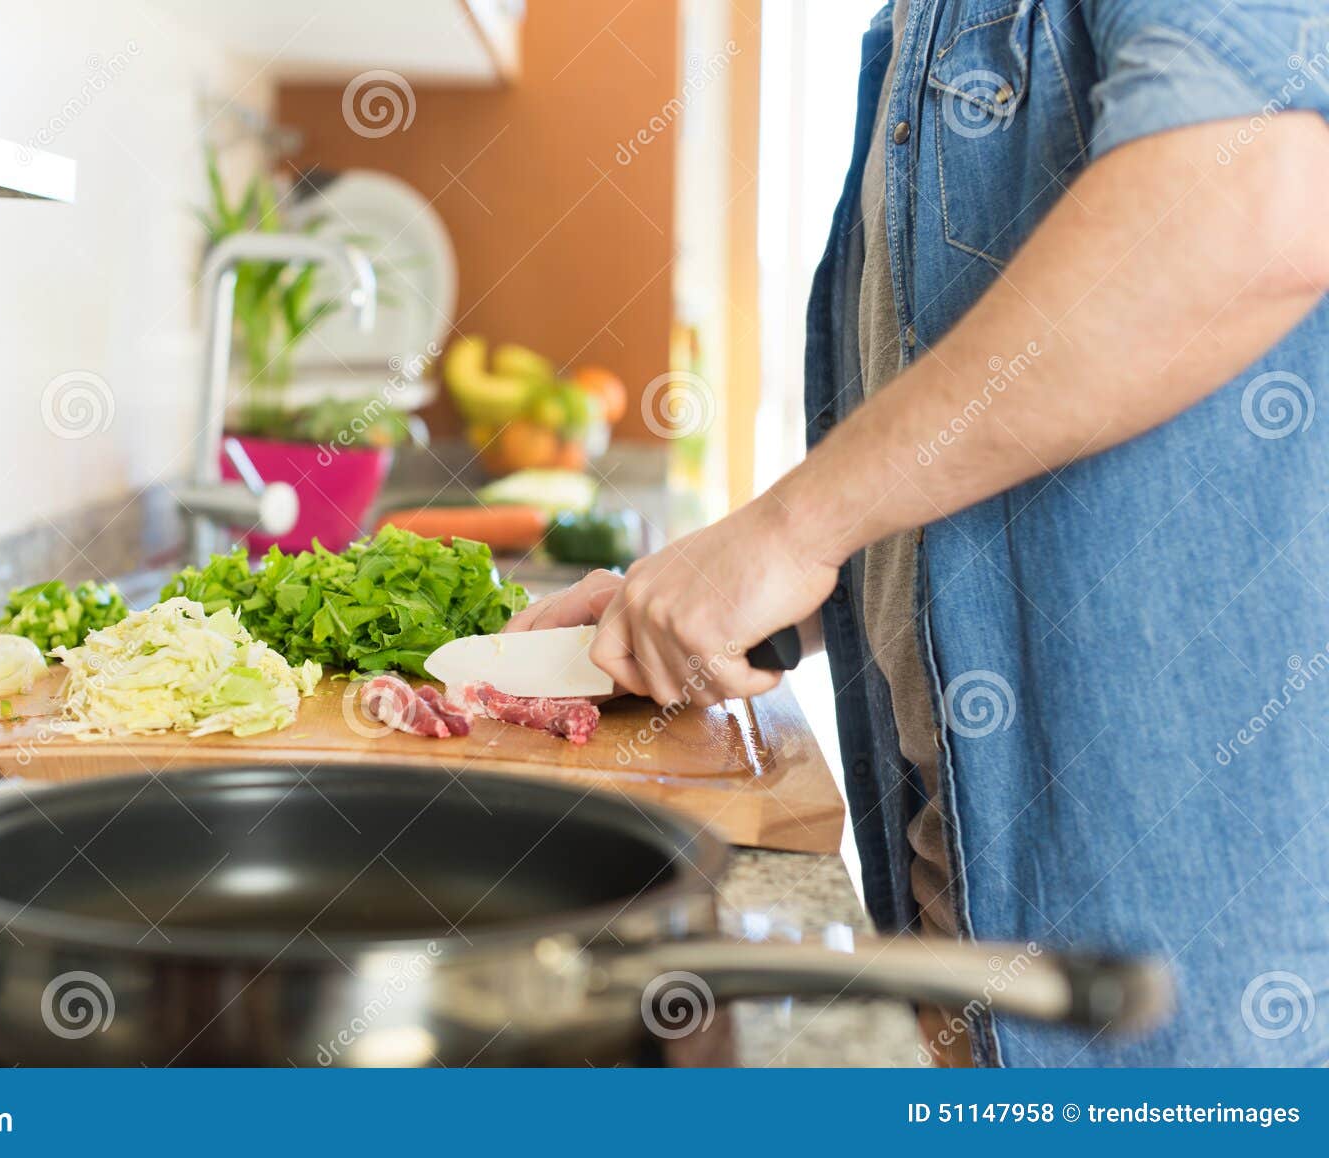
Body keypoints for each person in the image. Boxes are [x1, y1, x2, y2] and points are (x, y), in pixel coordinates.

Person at [509, 0, 1329, 1065]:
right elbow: (989, 456)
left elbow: (1252, 198)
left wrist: (793, 527)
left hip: (1181, 985)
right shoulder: (918, 31)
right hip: (969, 950)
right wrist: (739, 589)